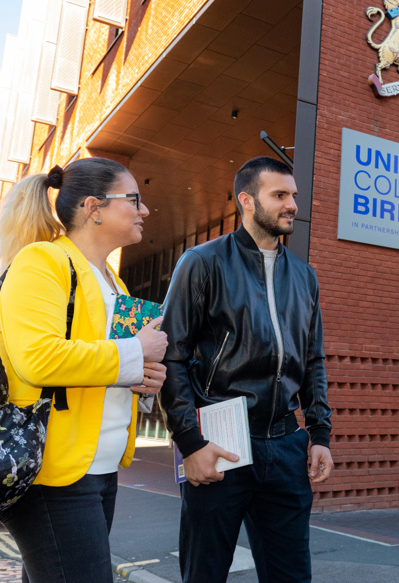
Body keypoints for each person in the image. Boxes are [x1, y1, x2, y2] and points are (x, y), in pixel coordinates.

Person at [0, 159, 169, 583]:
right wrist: (133, 352)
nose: (144, 211)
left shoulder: (115, 282)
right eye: (134, 200)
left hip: (99, 469)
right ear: (95, 207)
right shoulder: (43, 260)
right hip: (54, 471)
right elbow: (37, 358)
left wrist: (143, 378)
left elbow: (105, 367)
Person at [160, 157, 333, 583]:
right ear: (247, 201)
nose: (293, 204)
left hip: (285, 446)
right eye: (280, 195)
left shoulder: (305, 276)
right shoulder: (202, 263)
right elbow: (172, 356)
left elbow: (313, 360)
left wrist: (320, 433)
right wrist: (190, 441)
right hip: (219, 443)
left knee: (291, 575)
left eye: (293, 195)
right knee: (205, 573)